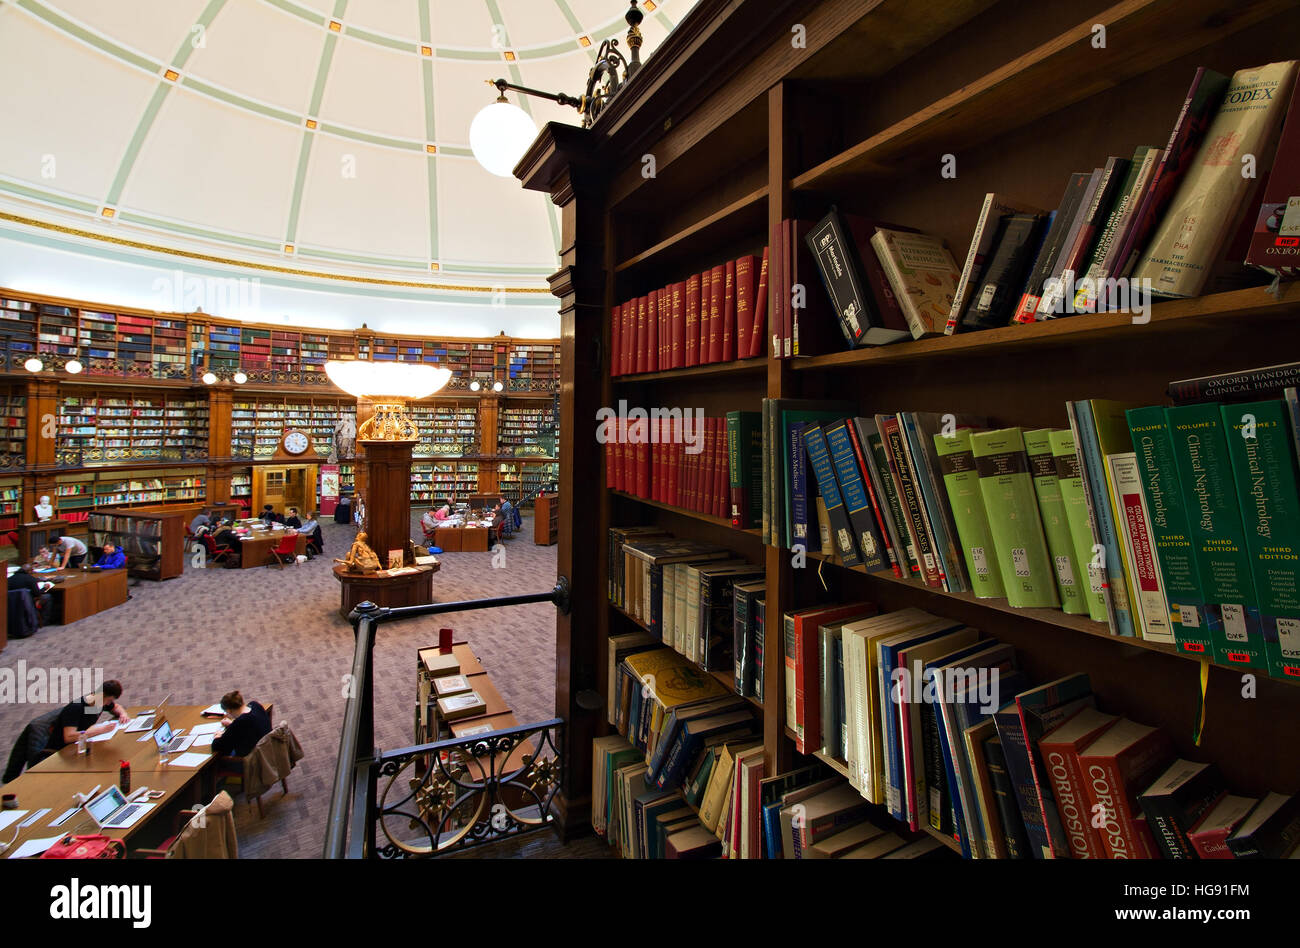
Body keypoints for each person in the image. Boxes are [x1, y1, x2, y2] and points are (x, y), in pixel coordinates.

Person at [48, 680, 130, 752]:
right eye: (109, 700)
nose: (109, 703)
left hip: (81, 744)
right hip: (61, 750)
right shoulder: (76, 708)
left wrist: (123, 714)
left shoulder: (98, 702)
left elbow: (116, 707)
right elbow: (68, 737)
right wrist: (101, 730)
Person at [211, 690, 272, 758]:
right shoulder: (255, 705)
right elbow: (249, 727)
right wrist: (231, 724)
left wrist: (217, 736)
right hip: (268, 750)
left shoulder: (240, 722)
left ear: (229, 710)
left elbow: (218, 747)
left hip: (251, 760)